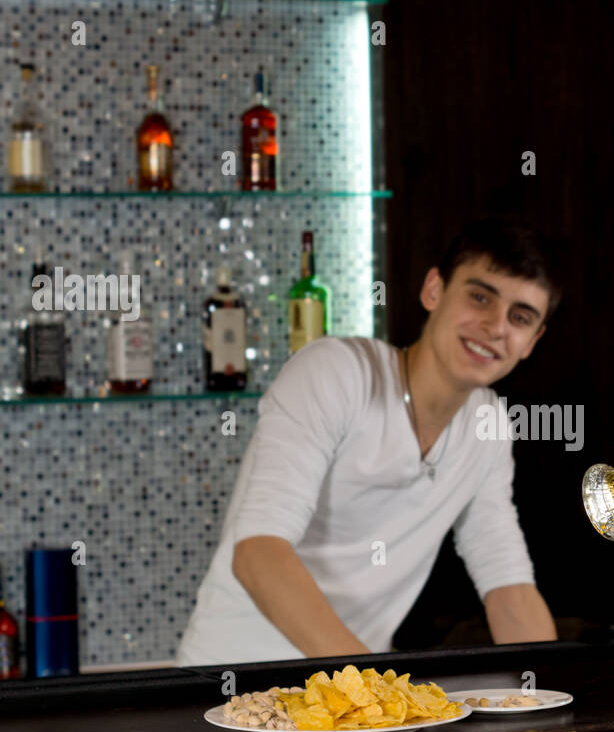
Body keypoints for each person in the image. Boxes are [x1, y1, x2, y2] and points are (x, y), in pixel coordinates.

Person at [176, 217, 560, 666]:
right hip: (233, 686)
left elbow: (507, 581)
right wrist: (376, 689)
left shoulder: (488, 424)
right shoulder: (335, 372)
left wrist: (557, 700)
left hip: (352, 701)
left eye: (520, 317)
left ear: (532, 341)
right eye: (480, 297)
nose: (495, 327)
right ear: (434, 290)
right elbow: (258, 552)